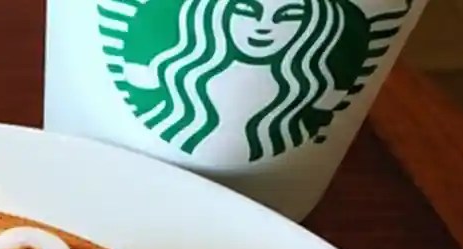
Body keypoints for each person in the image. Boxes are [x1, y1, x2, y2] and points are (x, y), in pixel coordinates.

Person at [103, 0, 414, 162]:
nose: (264, 26)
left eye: (288, 15)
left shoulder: (310, 91)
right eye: (245, 10)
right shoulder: (167, 74)